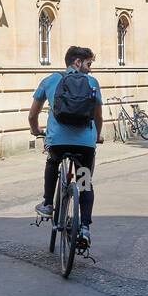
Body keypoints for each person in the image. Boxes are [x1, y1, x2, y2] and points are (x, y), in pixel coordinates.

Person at [29, 46, 104, 248]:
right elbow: (98, 117)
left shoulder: (49, 80)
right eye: (89, 64)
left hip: (57, 142)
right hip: (85, 145)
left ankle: (47, 204)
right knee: (84, 181)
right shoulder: (92, 83)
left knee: (52, 161)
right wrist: (96, 136)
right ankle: (85, 228)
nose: (90, 69)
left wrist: (36, 130)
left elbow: (32, 115)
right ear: (77, 62)